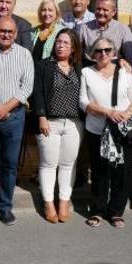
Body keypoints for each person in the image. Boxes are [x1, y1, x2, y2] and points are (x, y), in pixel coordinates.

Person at [80, 38, 132, 228]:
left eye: (108, 50)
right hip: (97, 129)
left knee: (122, 172)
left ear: (114, 54)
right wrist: (107, 112)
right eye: (98, 51)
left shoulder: (123, 72)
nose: (103, 54)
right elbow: (83, 102)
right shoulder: (86, 72)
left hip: (122, 130)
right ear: (92, 55)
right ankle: (98, 209)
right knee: (100, 171)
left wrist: (126, 114)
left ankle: (116, 212)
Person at [0, 17, 34, 226]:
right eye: (3, 31)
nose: (6, 35)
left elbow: (26, 86)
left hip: (14, 117)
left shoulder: (24, 54)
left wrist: (5, 108)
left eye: (10, 32)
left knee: (10, 165)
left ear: (16, 33)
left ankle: (5, 207)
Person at [30, 29, 82, 223]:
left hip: (74, 123)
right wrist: (41, 116)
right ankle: (48, 203)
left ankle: (63, 201)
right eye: (59, 42)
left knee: (68, 164)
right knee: (49, 164)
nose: (61, 45)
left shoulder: (79, 67)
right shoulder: (44, 66)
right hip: (49, 122)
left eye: (66, 43)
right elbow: (37, 93)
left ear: (73, 47)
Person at [77, 0, 132, 67]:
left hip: (114, 71)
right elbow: (77, 56)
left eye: (105, 10)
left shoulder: (123, 29)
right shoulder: (84, 28)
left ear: (113, 12)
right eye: (98, 9)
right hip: (90, 70)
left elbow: (131, 60)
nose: (101, 12)